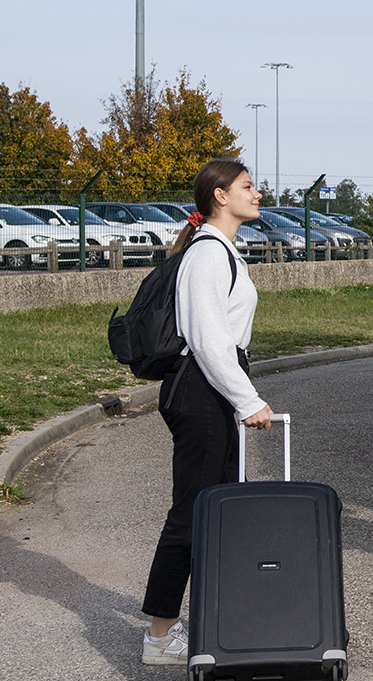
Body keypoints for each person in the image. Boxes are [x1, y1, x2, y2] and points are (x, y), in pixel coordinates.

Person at [140, 158, 273, 666]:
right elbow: (209, 341)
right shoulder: (208, 255)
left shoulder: (223, 251)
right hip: (202, 389)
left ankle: (219, 620)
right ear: (220, 196)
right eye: (247, 186)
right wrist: (249, 400)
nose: (257, 193)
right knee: (193, 512)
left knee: (218, 510)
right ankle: (159, 637)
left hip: (214, 385)